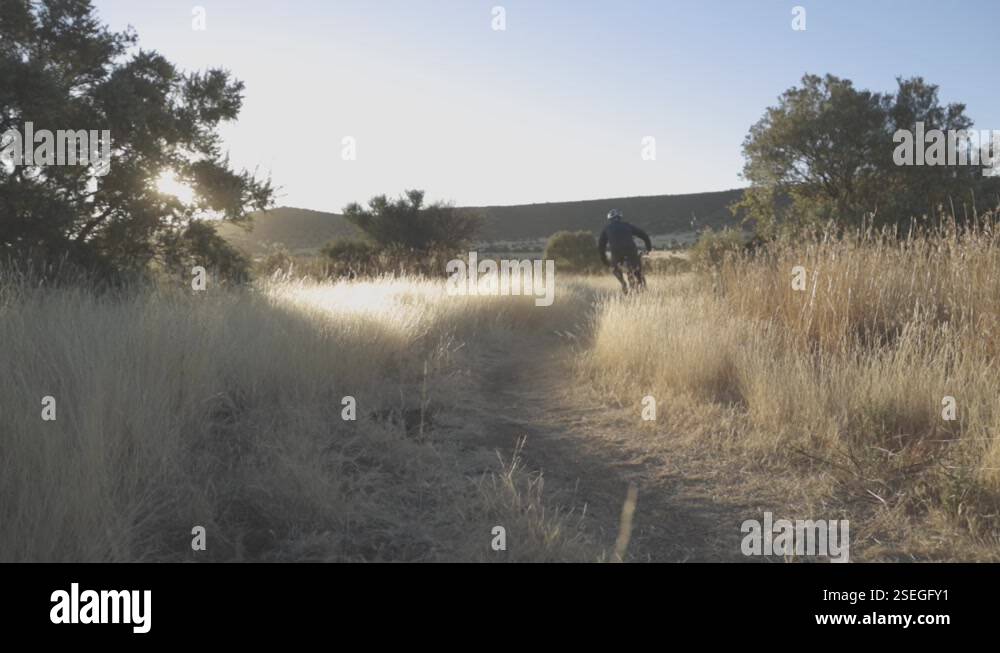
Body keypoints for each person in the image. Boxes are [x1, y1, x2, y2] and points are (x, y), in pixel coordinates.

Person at [598, 209, 652, 293]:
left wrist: (605, 261)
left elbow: (601, 247)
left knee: (614, 268)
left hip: (616, 254)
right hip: (631, 251)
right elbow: (643, 235)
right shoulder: (627, 225)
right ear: (620, 218)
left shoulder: (606, 229)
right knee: (637, 270)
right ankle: (641, 285)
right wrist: (648, 248)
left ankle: (623, 283)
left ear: (609, 219)